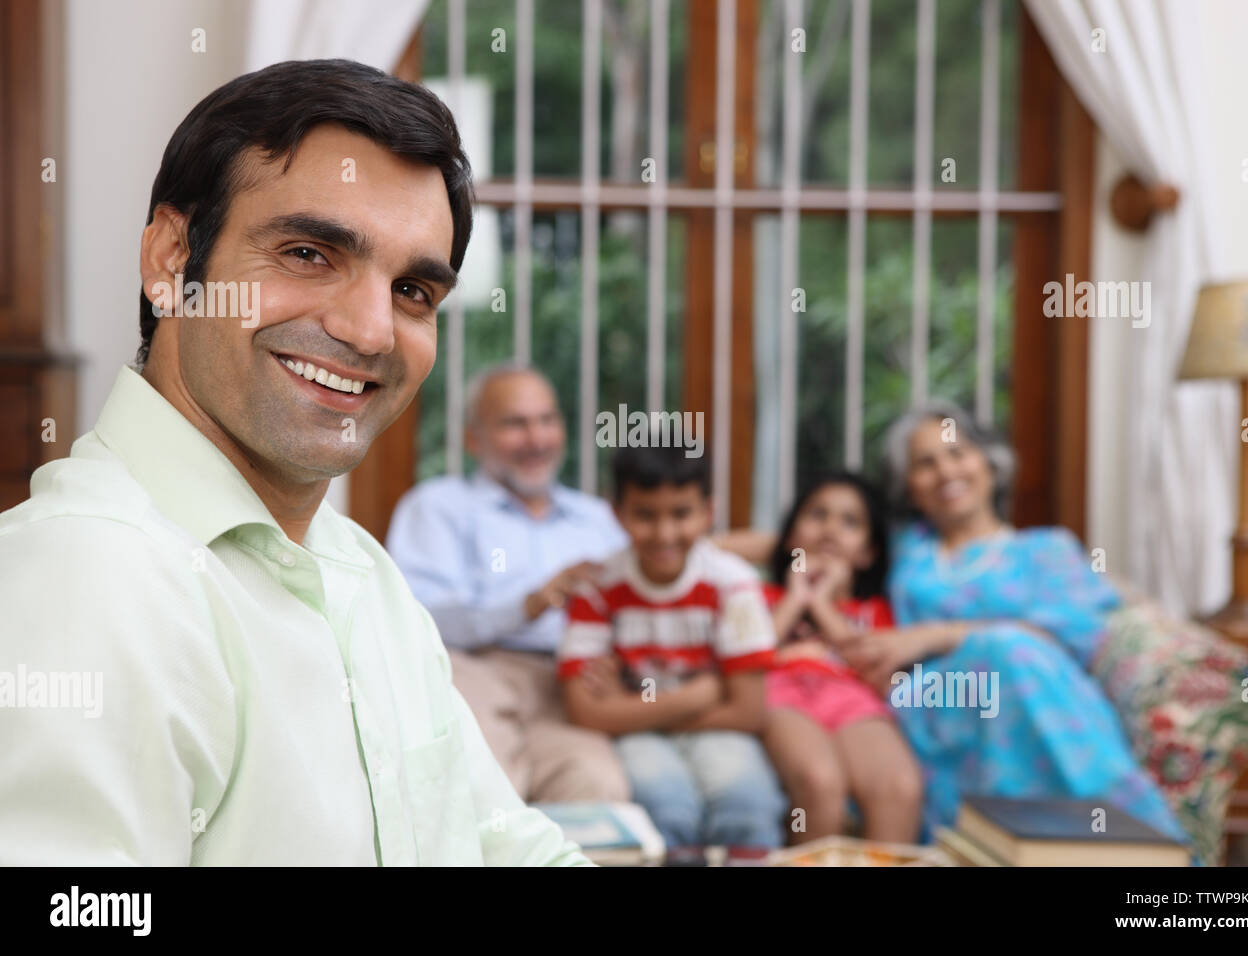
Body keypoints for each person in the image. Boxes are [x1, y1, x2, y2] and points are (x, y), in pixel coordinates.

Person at [0, 59, 586, 865]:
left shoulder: (360, 575)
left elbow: (504, 846)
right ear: (173, 261)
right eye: (309, 253)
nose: (372, 331)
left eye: (414, 290)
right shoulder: (86, 573)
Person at [840, 400, 1188, 846]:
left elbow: (1074, 636)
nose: (947, 472)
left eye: (957, 453)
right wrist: (720, 544)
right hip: (928, 705)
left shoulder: (1046, 549)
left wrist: (937, 635)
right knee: (1005, 650)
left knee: (1009, 650)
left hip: (1027, 691)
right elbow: (801, 538)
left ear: (988, 462)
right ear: (908, 487)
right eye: (925, 464)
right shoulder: (904, 549)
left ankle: (1135, 842)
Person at [386, 362, 630, 803]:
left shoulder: (598, 520)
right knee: (487, 789)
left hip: (569, 682)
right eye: (515, 424)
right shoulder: (438, 506)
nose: (537, 439)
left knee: (597, 786)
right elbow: (418, 618)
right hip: (474, 667)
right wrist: (529, 604)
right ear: (473, 439)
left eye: (546, 420)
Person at [557, 445, 787, 850]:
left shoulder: (733, 584)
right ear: (617, 512)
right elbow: (584, 711)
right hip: (673, 726)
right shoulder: (596, 588)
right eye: (645, 515)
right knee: (665, 807)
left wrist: (626, 708)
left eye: (681, 514)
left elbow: (749, 713)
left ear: (707, 512)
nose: (664, 534)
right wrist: (699, 695)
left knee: (747, 804)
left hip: (673, 725)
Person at [761, 473, 922, 843]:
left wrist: (822, 604)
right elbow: (748, 659)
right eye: (817, 515)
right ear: (789, 538)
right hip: (781, 695)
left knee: (900, 786)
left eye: (850, 522)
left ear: (868, 552)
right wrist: (796, 597)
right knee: (821, 781)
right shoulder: (764, 596)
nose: (830, 529)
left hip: (853, 700)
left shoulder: (873, 610)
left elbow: (874, 673)